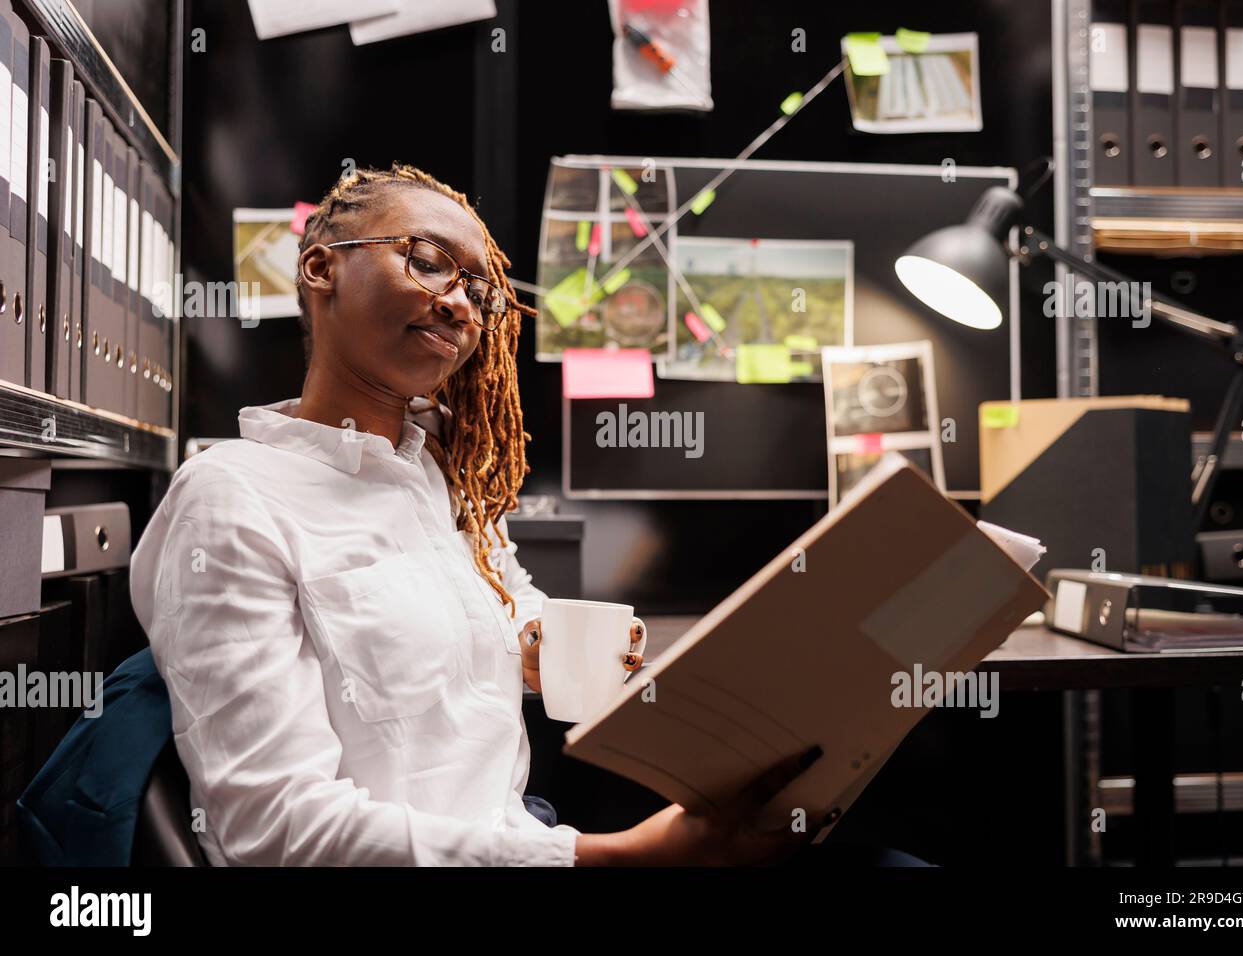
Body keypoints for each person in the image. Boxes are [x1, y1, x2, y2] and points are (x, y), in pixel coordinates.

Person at [129, 162, 831, 866]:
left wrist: (537, 641)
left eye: (478, 291)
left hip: (522, 830)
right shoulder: (230, 498)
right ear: (320, 268)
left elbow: (509, 600)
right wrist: (621, 859)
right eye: (429, 262)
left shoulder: (441, 479)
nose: (461, 305)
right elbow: (275, 831)